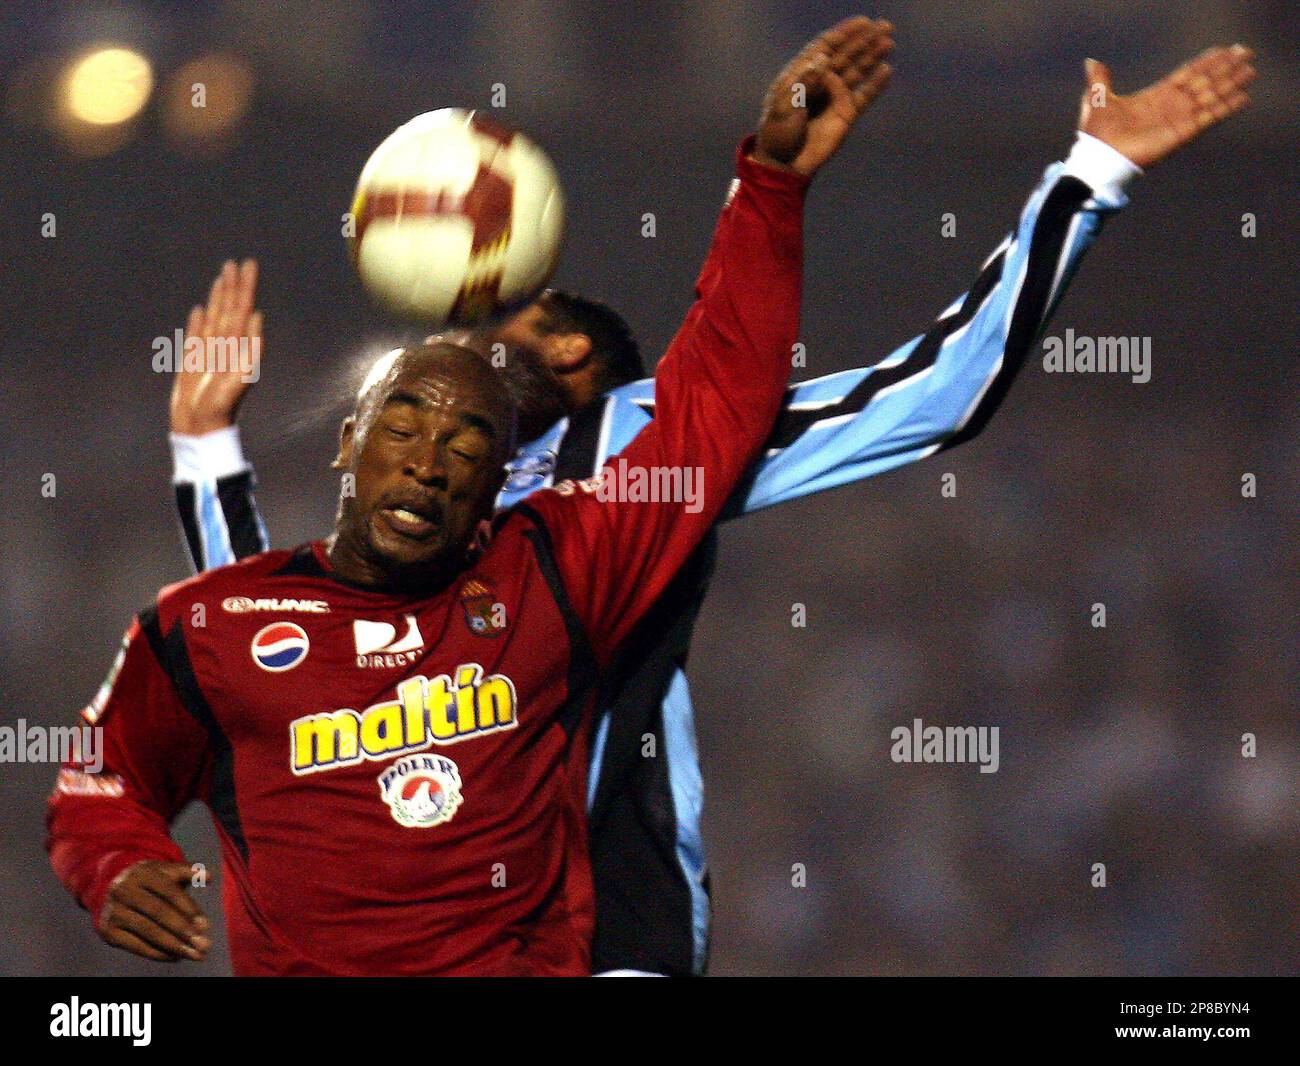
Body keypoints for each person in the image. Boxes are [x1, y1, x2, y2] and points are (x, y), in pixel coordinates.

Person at [167, 41, 1256, 974]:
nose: (487, 329)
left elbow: (938, 388)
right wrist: (207, 441)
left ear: (589, 365)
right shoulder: (424, 491)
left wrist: (1090, 172)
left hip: (608, 930)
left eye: (527, 321)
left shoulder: (642, 453)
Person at [47, 16, 890, 977]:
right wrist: (116, 866)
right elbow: (101, 779)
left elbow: (716, 407)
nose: (429, 461)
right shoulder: (213, 624)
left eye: (467, 444)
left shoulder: (548, 571)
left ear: (498, 487)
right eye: (402, 428)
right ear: (346, 450)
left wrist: (771, 187)